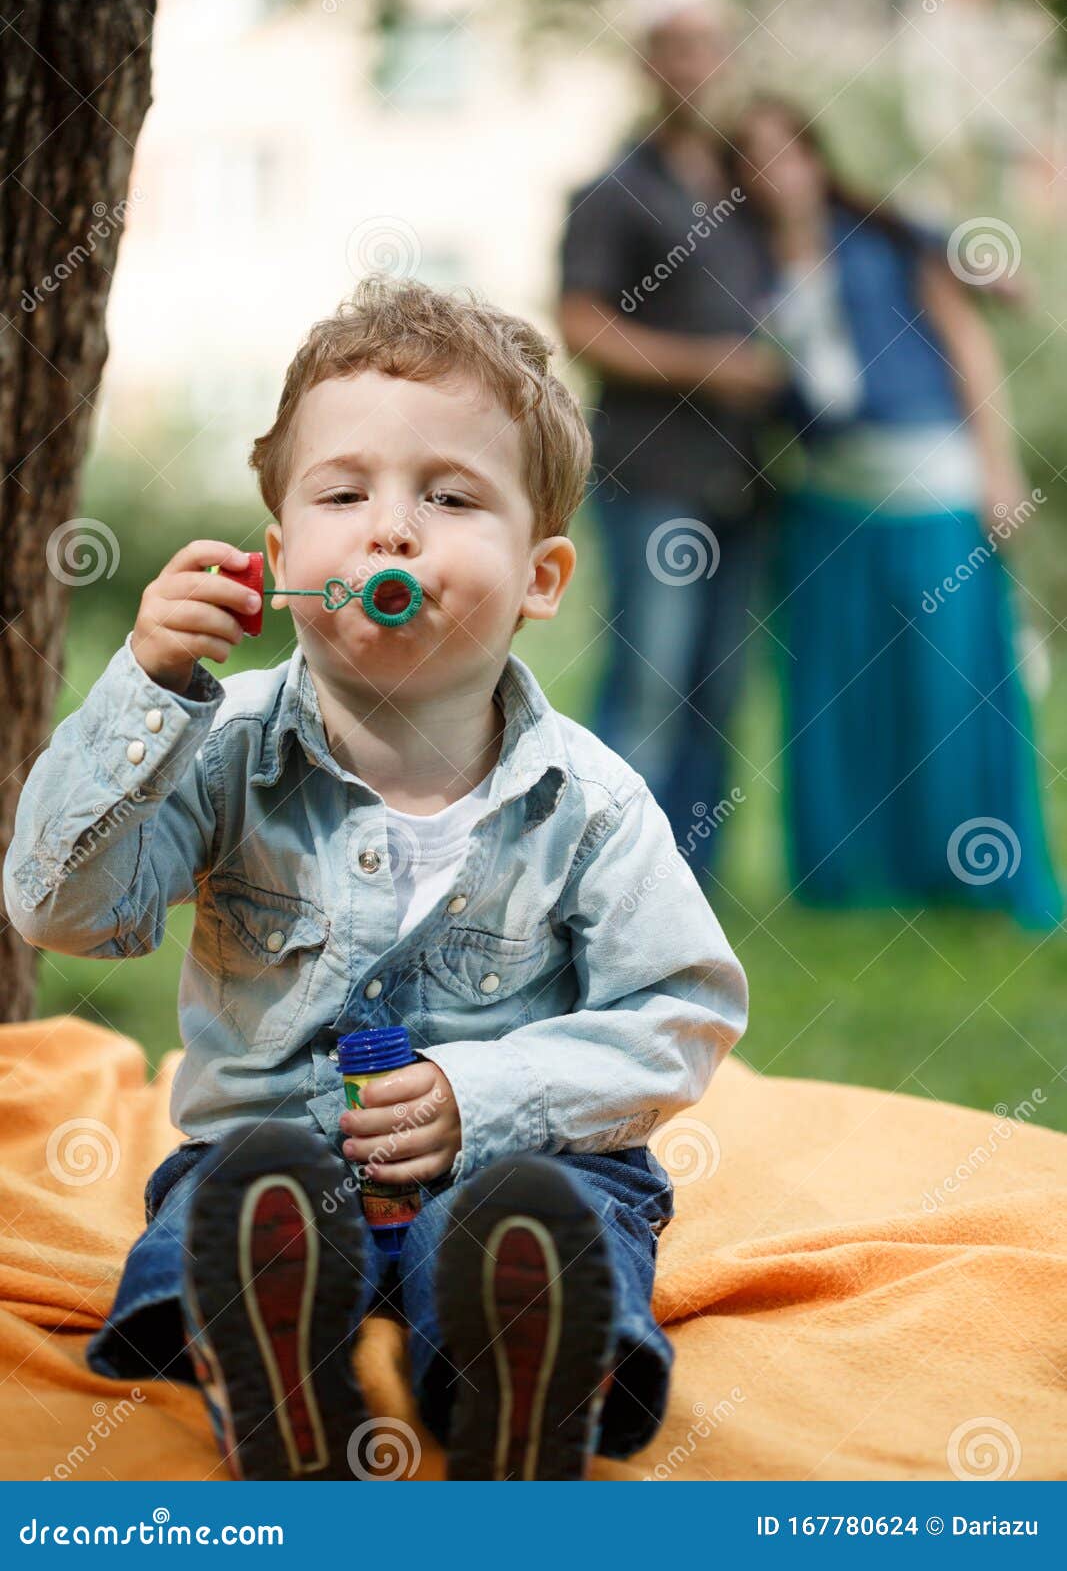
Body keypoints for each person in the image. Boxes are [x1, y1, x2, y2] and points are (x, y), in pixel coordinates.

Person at [3, 277, 748, 1480]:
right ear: (277, 558)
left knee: (556, 1223)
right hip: (273, 1169)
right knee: (233, 1205)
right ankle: (283, 1383)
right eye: (344, 494)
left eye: (448, 498)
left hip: (515, 1165)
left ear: (541, 575)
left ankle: (511, 1383)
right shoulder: (217, 748)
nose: (390, 531)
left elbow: (682, 1010)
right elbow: (60, 908)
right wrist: (144, 693)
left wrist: (485, 1091)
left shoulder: (592, 799)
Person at [730, 97, 1061, 927]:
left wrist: (998, 473)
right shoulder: (739, 262)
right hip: (828, 506)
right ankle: (850, 876)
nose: (775, 173)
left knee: (949, 692)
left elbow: (970, 348)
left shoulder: (887, 236)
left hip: (933, 495)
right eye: (753, 158)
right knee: (841, 695)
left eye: (787, 152)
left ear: (815, 158)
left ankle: (966, 873)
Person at [558, 1, 784, 878]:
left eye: (706, 51)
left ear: (727, 64)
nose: (692, 68)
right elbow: (581, 325)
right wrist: (709, 368)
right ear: (646, 69)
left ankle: (688, 887)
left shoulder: (742, 193)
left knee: (717, 690)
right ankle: (608, 877)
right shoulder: (612, 191)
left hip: (744, 480)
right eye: (674, 52)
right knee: (648, 683)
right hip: (651, 477)